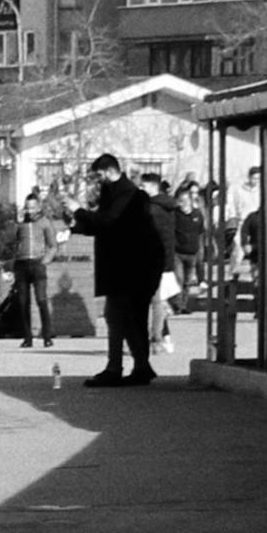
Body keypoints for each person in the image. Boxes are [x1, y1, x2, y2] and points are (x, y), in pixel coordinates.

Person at [87, 153, 171, 389]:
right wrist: (78, 220)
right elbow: (103, 225)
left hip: (133, 268)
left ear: (109, 171)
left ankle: (120, 368)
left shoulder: (129, 195)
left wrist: (81, 213)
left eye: (100, 174)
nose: (98, 180)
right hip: (123, 266)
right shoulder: (115, 193)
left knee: (124, 317)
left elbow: (109, 221)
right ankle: (139, 367)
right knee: (122, 318)